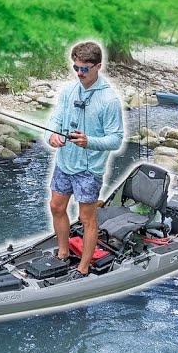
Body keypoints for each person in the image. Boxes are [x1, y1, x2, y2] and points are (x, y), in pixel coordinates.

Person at [46, 40, 125, 279]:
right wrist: (53, 135)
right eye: (75, 68)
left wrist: (89, 141)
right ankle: (62, 252)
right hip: (65, 163)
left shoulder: (109, 100)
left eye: (84, 69)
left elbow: (116, 139)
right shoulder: (69, 92)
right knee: (56, 207)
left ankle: (83, 266)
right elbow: (56, 120)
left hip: (89, 169)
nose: (79, 73)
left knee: (86, 218)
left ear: (97, 66)